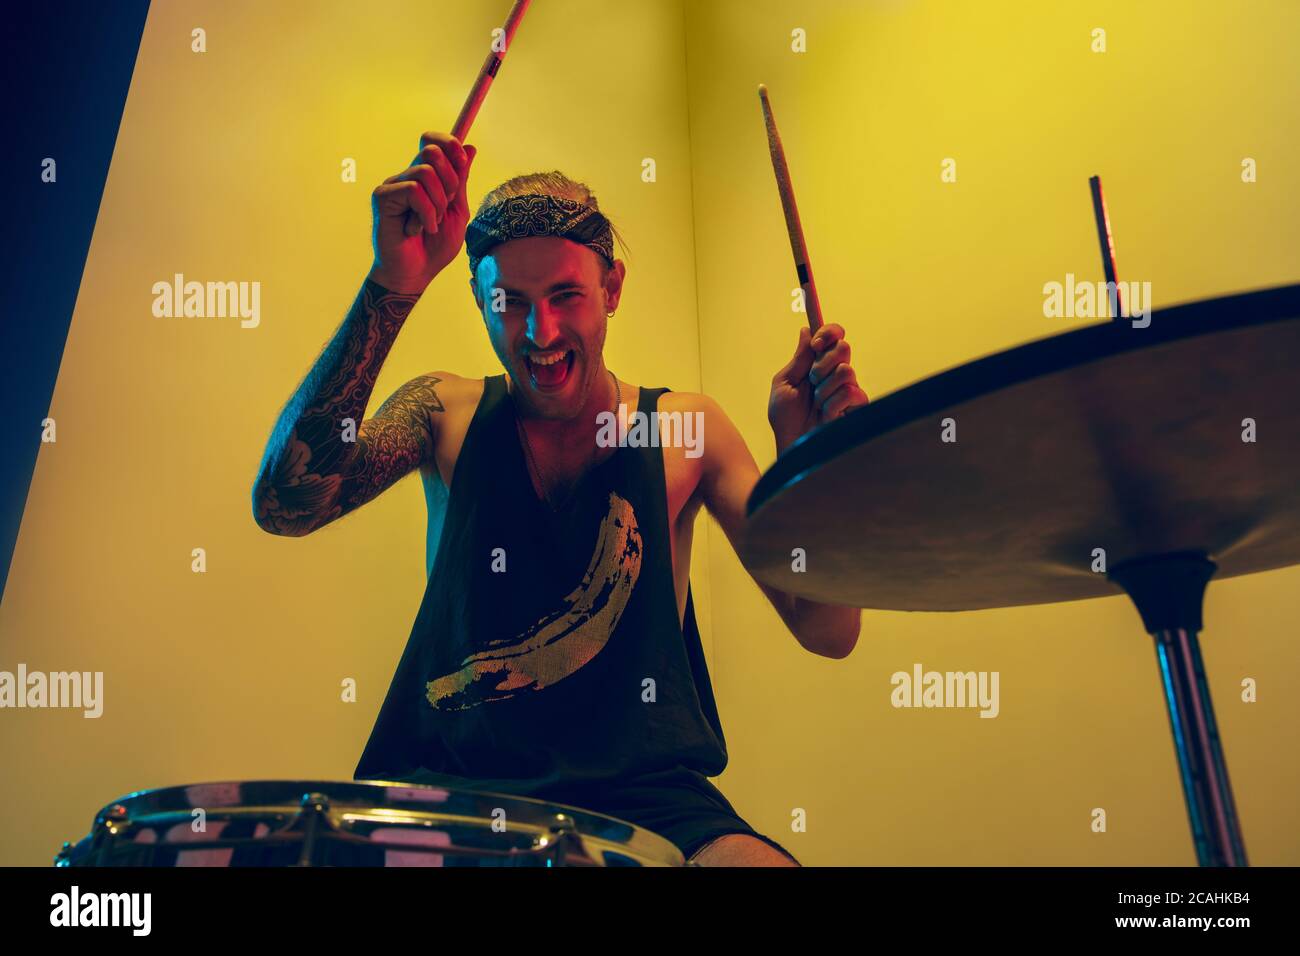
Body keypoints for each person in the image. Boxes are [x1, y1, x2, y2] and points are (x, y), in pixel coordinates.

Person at [251, 132, 869, 866]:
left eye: (566, 295)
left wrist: (815, 461)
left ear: (611, 290)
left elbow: (828, 629)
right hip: (454, 790)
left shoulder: (686, 429)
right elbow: (288, 503)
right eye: (510, 302)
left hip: (646, 795)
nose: (540, 332)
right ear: (479, 299)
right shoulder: (442, 415)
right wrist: (392, 282)